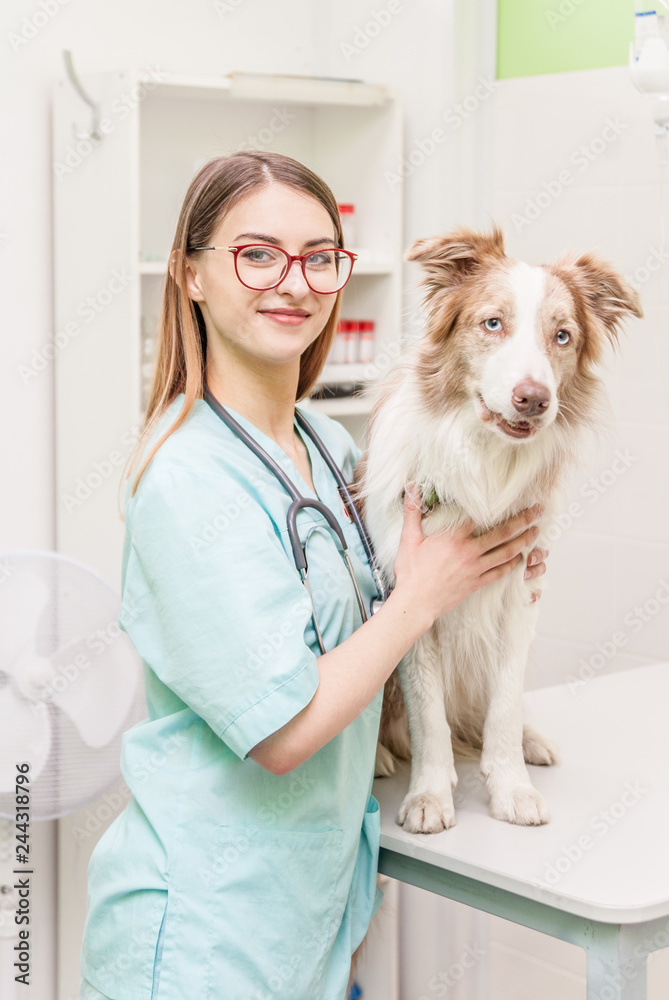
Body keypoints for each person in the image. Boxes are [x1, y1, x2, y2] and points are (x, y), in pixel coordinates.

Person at [78, 150, 547, 1000]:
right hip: (205, 945)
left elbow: (369, 624)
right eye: (256, 253)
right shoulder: (185, 479)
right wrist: (422, 598)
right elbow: (284, 733)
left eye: (319, 257)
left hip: (315, 925)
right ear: (190, 273)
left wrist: (480, 576)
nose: (292, 282)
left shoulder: (329, 450)